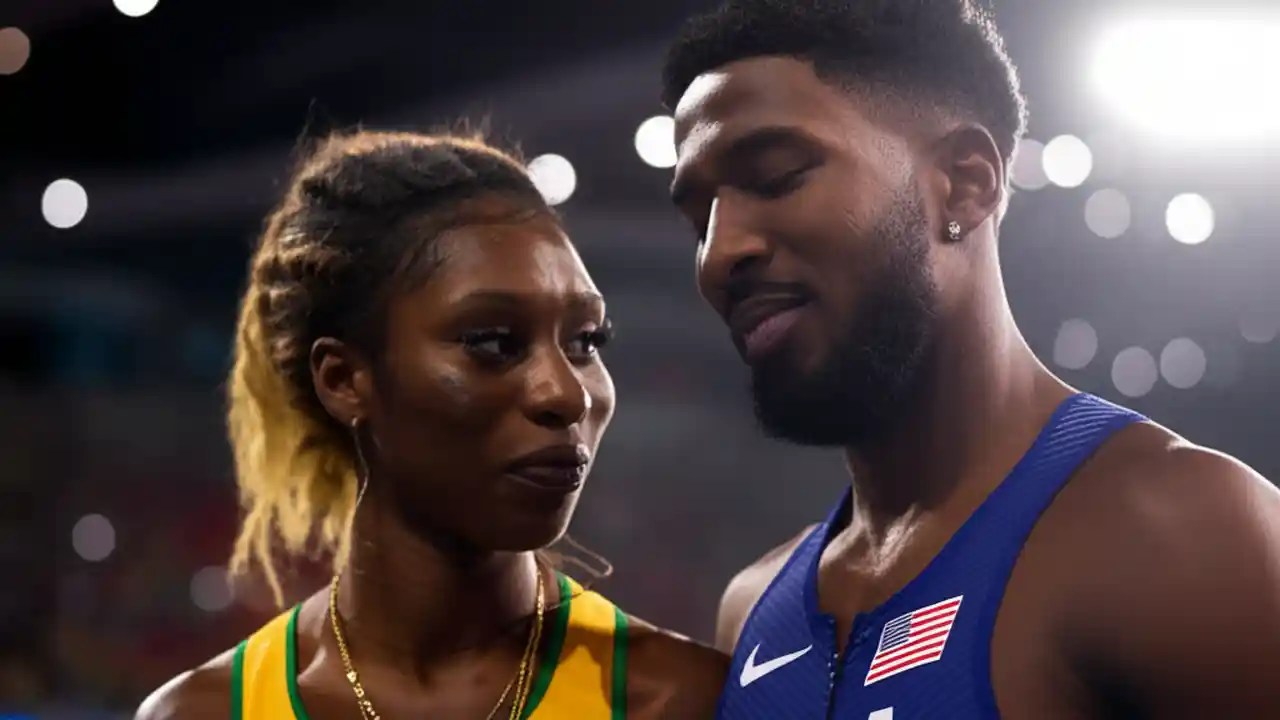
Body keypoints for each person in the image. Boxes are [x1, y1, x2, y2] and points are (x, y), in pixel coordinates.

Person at [661, 1, 1280, 717]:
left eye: (776, 177)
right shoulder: (750, 609)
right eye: (698, 221)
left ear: (965, 183)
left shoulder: (1183, 534)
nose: (718, 255)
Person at [135, 130, 726, 720]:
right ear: (344, 380)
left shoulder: (682, 701)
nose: (567, 394)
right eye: (493, 342)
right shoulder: (203, 713)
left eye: (585, 341)